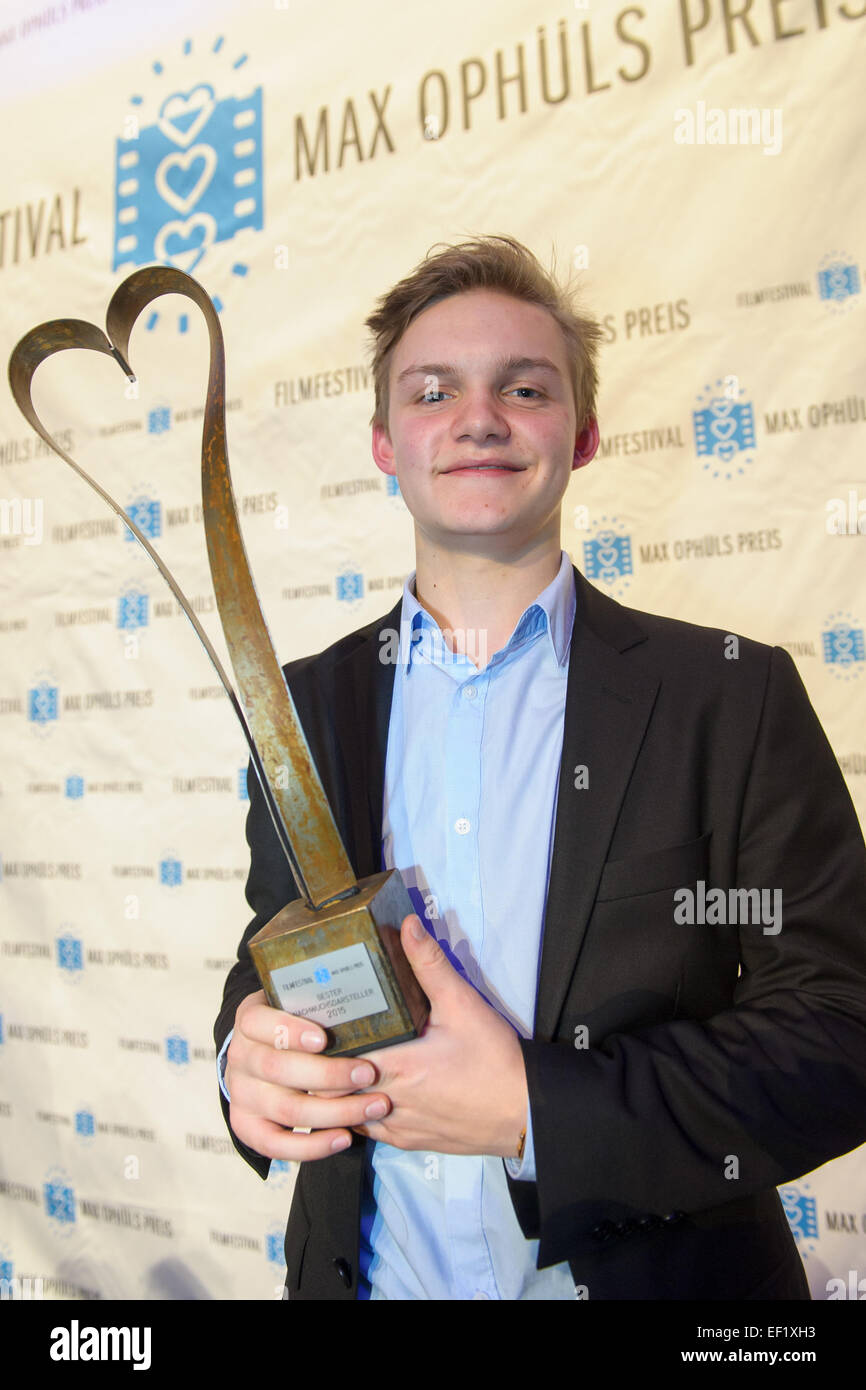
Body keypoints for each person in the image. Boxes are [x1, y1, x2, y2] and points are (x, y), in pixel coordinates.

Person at [214, 234, 866, 1301]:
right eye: (433, 392)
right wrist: (247, 1056)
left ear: (586, 433)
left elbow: (838, 1033)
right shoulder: (301, 710)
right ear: (383, 443)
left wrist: (533, 1108)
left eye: (523, 386)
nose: (478, 417)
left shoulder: (726, 694)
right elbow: (273, 953)